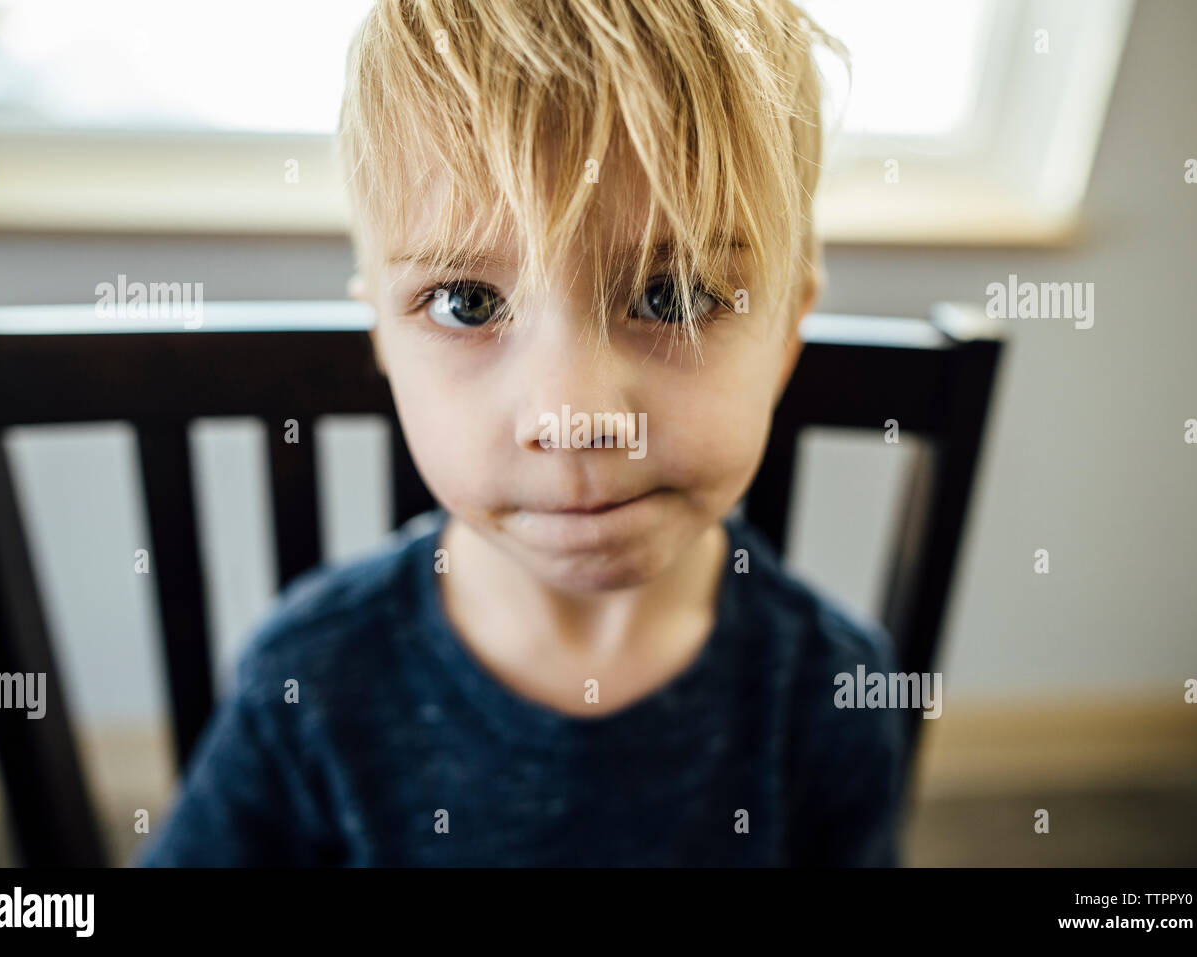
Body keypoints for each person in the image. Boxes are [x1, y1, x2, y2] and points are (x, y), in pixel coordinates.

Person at [137, 0, 906, 866]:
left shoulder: (834, 691)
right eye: (469, 302)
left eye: (676, 298)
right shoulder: (310, 679)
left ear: (785, 337)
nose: (572, 417)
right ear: (382, 340)